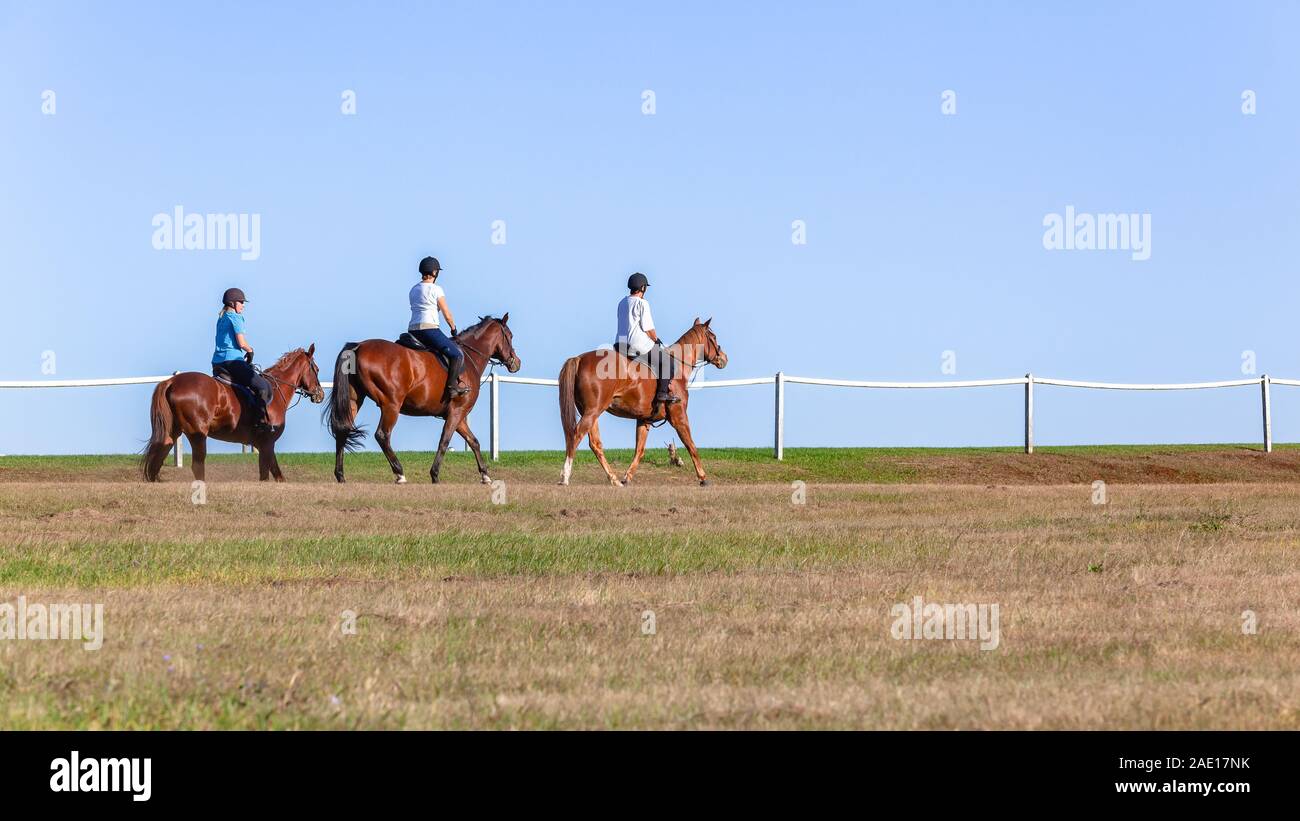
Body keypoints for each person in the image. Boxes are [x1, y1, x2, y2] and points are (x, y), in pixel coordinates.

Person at [211, 287, 276, 433]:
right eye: (241, 302)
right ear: (233, 303)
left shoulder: (221, 318)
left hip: (217, 363)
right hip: (233, 362)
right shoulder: (235, 318)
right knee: (263, 387)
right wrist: (250, 350)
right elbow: (241, 343)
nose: (243, 305)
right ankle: (260, 422)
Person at [407, 256, 469, 398]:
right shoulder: (436, 289)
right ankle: (452, 387)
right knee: (457, 354)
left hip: (412, 330)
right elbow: (447, 314)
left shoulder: (413, 289)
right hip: (429, 329)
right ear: (435, 272)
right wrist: (453, 328)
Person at [615, 272, 679, 404]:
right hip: (636, 344)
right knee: (668, 363)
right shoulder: (642, 303)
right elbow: (648, 328)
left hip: (619, 344)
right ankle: (662, 394)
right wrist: (656, 340)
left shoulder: (622, 302)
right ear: (643, 288)